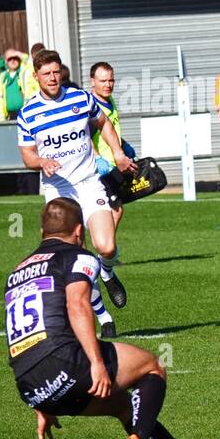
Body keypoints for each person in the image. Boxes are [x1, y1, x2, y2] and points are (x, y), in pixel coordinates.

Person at [7, 198, 220, 439]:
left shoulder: (16, 273)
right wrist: (96, 363)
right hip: (66, 366)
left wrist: (42, 404)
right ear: (78, 231)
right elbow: (78, 305)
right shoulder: (78, 256)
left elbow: (23, 338)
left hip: (31, 387)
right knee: (152, 366)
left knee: (125, 407)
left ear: (41, 232)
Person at [17, 50, 133, 319]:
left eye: (56, 72)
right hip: (59, 191)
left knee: (106, 247)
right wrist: (40, 162)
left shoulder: (81, 98)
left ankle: (106, 270)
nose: (52, 77)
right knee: (75, 259)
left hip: (89, 182)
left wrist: (117, 152)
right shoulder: (28, 113)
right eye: (46, 74)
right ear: (36, 77)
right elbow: (27, 155)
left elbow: (102, 122)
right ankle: (104, 318)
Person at [87, 61, 138, 338]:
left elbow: (110, 131)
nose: (108, 85)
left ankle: (105, 269)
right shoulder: (89, 104)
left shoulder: (109, 100)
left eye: (111, 80)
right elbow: (88, 138)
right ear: (91, 81)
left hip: (113, 168)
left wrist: (124, 149)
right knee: (108, 225)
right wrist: (99, 161)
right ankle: (104, 271)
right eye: (103, 81)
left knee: (117, 213)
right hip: (97, 173)